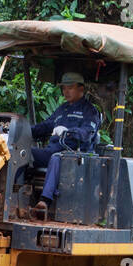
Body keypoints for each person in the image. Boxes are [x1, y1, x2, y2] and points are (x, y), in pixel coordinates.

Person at [29, 72, 101, 209]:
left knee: (56, 158)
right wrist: (22, 131)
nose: (66, 92)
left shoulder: (90, 111)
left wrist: (68, 132)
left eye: (70, 88)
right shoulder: (62, 109)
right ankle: (13, 196)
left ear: (81, 89)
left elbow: (87, 133)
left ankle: (45, 201)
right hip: (51, 151)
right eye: (64, 88)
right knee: (23, 154)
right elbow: (45, 126)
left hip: (73, 155)